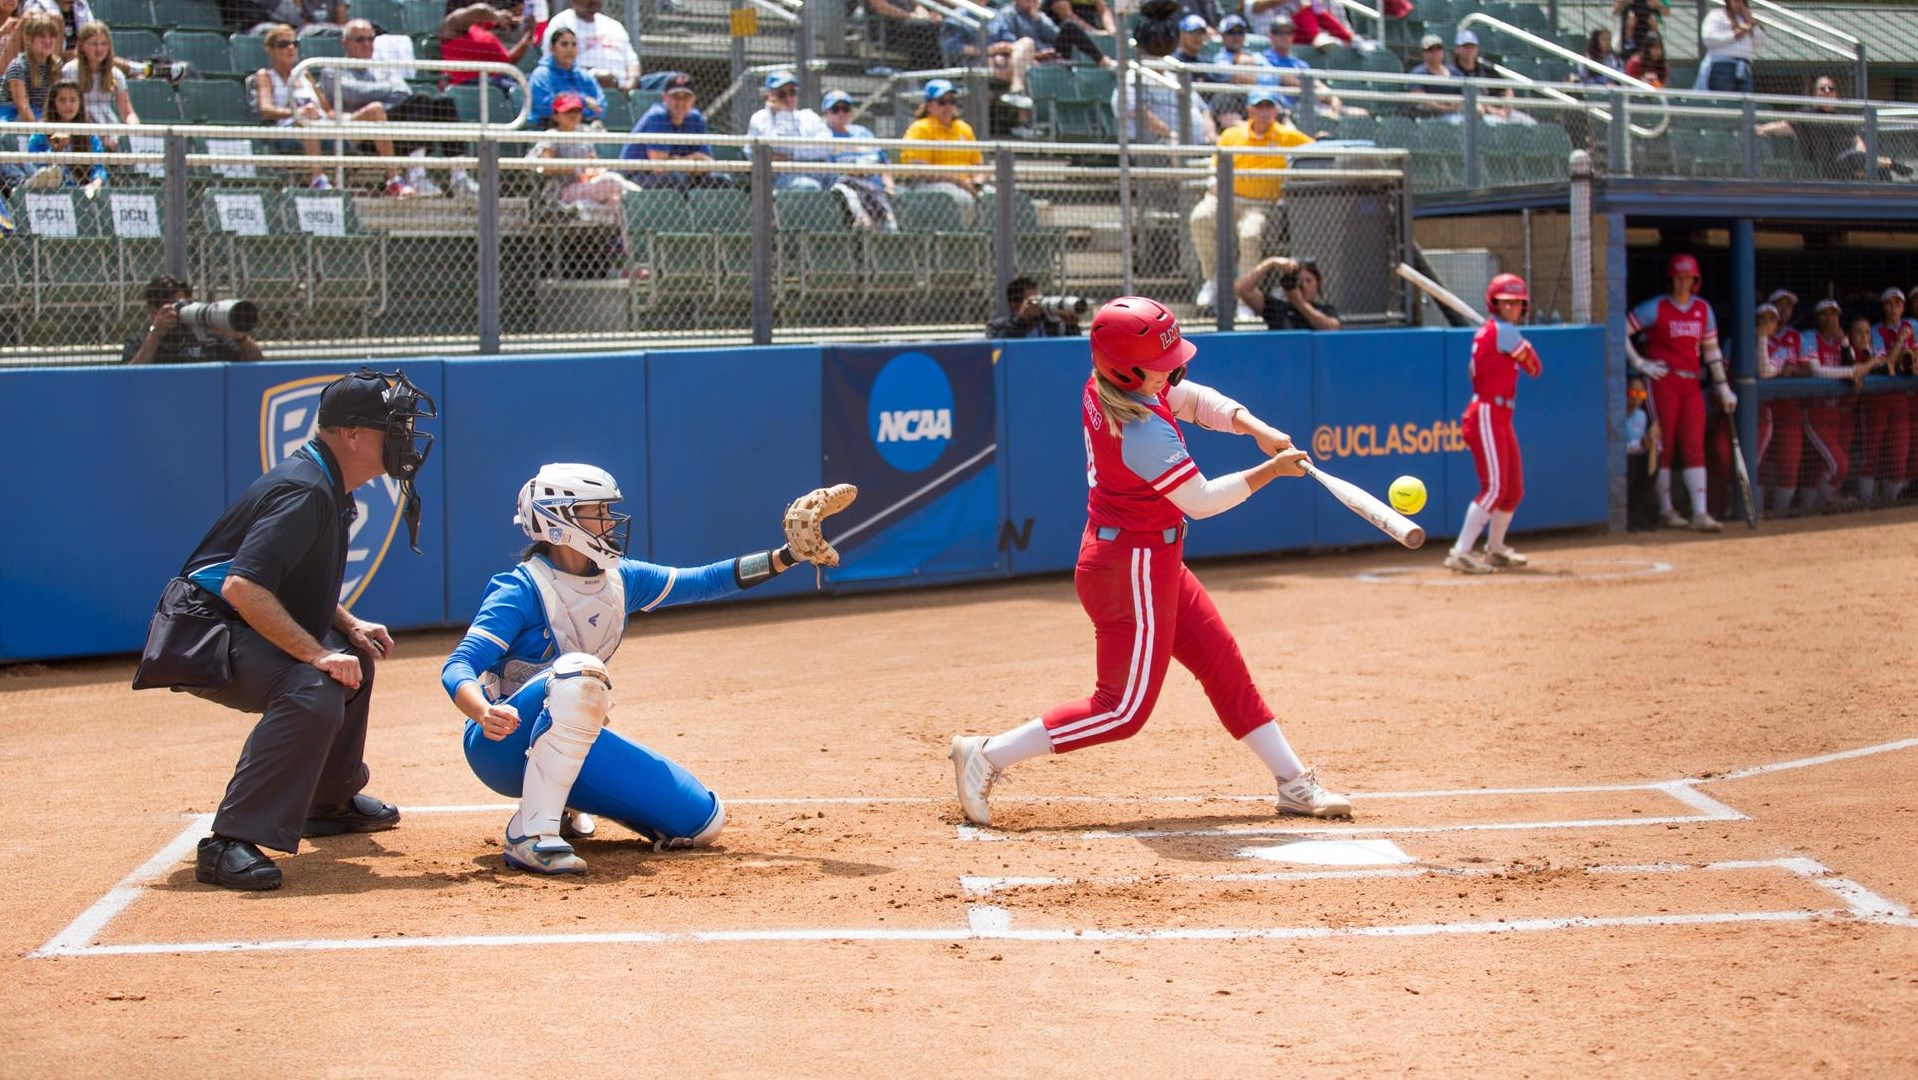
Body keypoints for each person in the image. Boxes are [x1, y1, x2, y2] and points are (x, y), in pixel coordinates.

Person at [947, 296, 1351, 827]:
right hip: (1128, 569)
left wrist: (1253, 426)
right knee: (1122, 710)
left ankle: (1293, 783)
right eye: (1162, 367)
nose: (1173, 374)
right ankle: (986, 753)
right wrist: (1270, 471)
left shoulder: (1117, 385)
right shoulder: (1140, 430)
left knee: (1221, 662)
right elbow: (1202, 502)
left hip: (1151, 559)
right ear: (1128, 368)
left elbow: (1194, 397)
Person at [443, 463, 827, 873]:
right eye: (599, 512)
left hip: (568, 739)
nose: (610, 521)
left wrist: (786, 557)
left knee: (701, 823)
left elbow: (704, 581)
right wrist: (482, 711)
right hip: (500, 745)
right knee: (580, 671)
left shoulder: (619, 579)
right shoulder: (519, 588)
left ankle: (562, 804)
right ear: (559, 520)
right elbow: (459, 665)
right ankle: (530, 834)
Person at [138, 368, 436, 890]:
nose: (405, 438)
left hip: (229, 621)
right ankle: (229, 841)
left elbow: (289, 584)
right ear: (351, 435)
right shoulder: (305, 490)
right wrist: (316, 654)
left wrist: (346, 624)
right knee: (312, 686)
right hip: (202, 632)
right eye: (394, 427)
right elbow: (242, 587)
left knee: (353, 657)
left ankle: (327, 802)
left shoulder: (327, 480)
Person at [1625, 253, 1735, 531]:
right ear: (1671, 279)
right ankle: (1666, 510)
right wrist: (1639, 362)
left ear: (1695, 280)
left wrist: (1722, 386)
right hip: (1663, 380)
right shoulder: (1656, 307)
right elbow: (1621, 330)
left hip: (1691, 383)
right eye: (1679, 277)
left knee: (1693, 443)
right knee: (1665, 442)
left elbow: (1711, 350)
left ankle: (1700, 513)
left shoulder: (1703, 310)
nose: (1683, 283)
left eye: (1688, 278)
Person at [1443, 274, 1542, 573]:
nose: (1511, 308)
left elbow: (1532, 367)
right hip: (1486, 411)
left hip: (1501, 416)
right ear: (1494, 304)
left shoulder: (1500, 332)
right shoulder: (1501, 333)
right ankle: (1460, 552)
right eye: (1505, 302)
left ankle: (1495, 548)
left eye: (1516, 303)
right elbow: (1535, 367)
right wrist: (1519, 343)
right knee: (1495, 486)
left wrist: (1515, 340)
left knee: (1513, 490)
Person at [1188, 87, 1312, 322]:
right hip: (1225, 199)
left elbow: (1315, 149)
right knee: (1200, 218)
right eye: (1259, 107)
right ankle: (1213, 279)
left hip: (1261, 205)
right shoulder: (1232, 134)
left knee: (1250, 235)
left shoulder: (1288, 136)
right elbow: (1215, 166)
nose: (1264, 112)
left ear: (1276, 110)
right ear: (1249, 110)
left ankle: (1245, 297)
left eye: (1269, 107)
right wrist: (1213, 180)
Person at [252, 22, 415, 195]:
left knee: (375, 110)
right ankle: (317, 179)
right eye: (283, 44)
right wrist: (299, 113)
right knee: (308, 114)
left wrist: (348, 119)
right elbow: (266, 109)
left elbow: (327, 111)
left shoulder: (304, 74)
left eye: (294, 43)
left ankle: (394, 180)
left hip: (324, 126)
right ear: (270, 50)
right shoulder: (266, 75)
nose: (291, 48)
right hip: (290, 130)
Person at [323, 19, 475, 197]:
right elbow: (351, 94)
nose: (366, 44)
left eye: (370, 39)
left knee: (443, 102)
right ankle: (416, 175)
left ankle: (459, 176)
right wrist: (387, 91)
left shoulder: (382, 68)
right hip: (364, 134)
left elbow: (403, 92)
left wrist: (378, 93)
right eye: (359, 40)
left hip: (394, 129)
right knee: (419, 100)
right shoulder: (332, 70)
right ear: (345, 43)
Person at [1796, 299, 1868, 512]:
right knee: (1839, 465)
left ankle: (1809, 512)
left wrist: (1845, 342)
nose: (1831, 319)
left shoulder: (1842, 341)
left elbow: (1853, 365)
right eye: (1826, 315)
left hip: (1836, 412)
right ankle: (1821, 505)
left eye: (1834, 314)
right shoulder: (1809, 337)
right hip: (1815, 412)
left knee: (1820, 467)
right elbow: (1816, 371)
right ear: (1818, 318)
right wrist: (1849, 373)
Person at [527, 90, 639, 213]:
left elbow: (592, 162)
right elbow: (546, 165)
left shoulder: (583, 134)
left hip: (585, 187)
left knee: (615, 199)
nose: (573, 115)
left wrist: (594, 171)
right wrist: (577, 167)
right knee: (612, 180)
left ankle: (625, 230)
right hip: (561, 192)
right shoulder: (552, 135)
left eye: (577, 111)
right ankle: (640, 194)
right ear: (556, 115)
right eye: (567, 111)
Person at [621, 71, 728, 190]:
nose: (680, 102)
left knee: (720, 180)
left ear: (693, 99)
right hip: (636, 177)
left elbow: (707, 162)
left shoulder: (696, 118)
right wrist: (693, 159)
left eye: (686, 97)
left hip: (680, 174)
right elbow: (658, 167)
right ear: (664, 97)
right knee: (677, 178)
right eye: (675, 97)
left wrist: (678, 161)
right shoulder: (658, 116)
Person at [122, 276, 266, 365]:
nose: (183, 309)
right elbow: (130, 377)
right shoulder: (140, 341)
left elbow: (256, 364)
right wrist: (155, 334)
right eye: (176, 305)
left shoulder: (210, 337)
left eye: (186, 303)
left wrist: (241, 338)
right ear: (154, 312)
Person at [900, 79, 983, 224]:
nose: (948, 106)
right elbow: (922, 170)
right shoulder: (920, 128)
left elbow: (978, 165)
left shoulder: (964, 128)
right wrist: (960, 181)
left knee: (995, 197)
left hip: (967, 184)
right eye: (942, 102)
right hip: (929, 185)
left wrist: (977, 183)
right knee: (960, 198)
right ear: (929, 105)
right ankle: (961, 242)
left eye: (951, 101)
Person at [1861, 287, 1915, 504]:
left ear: (1903, 307)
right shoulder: (1873, 331)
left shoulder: (1915, 326)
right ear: (1883, 307)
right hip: (1877, 397)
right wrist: (1901, 341)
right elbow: (1889, 366)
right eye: (1889, 303)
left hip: (1902, 398)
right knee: (1872, 454)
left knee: (1899, 457)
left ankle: (1890, 506)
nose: (1893, 308)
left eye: (1897, 303)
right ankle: (1863, 505)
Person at [1755, 299, 1806, 516]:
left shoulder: (1788, 346)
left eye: (1771, 319)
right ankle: (1752, 513)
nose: (1768, 323)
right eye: (1763, 319)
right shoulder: (1741, 340)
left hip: (1786, 409)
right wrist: (1760, 338)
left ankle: (1779, 516)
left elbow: (1765, 371)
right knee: (1756, 465)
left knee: (1788, 464)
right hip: (1755, 410)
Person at [745, 70, 833, 191]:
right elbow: (774, 144)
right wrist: (783, 114)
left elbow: (827, 147)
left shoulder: (809, 116)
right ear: (770, 96)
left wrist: (791, 155)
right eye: (781, 94)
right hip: (781, 176)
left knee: (846, 183)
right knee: (807, 186)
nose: (788, 98)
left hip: (818, 172)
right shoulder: (760, 118)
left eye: (792, 92)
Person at [821, 88, 895, 231]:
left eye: (845, 109)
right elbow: (826, 167)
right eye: (835, 109)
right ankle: (864, 224)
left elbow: (883, 161)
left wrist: (889, 184)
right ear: (826, 113)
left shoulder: (862, 132)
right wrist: (854, 171)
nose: (841, 113)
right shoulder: (822, 135)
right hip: (845, 187)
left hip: (874, 186)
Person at [22, 78, 102, 191]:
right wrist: (55, 152)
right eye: (62, 100)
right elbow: (36, 169)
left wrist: (95, 183)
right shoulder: (40, 134)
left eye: (73, 100)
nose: (68, 104)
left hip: (80, 191)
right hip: (46, 191)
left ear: (80, 103)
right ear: (53, 104)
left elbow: (98, 169)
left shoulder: (89, 135)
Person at [59, 21, 131, 147]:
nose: (99, 49)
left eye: (104, 44)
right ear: (81, 46)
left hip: (109, 128)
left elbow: (127, 112)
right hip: (79, 128)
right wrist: (99, 136)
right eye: (93, 44)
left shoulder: (116, 74)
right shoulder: (69, 71)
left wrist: (135, 131)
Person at [539, 0, 636, 91]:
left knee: (651, 81)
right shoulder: (561, 22)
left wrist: (631, 83)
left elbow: (633, 62)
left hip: (623, 88)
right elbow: (552, 62)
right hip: (581, 86)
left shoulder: (614, 25)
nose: (593, 1)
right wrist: (590, 75)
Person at [441, 4, 535, 91]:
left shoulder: (482, 27)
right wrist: (497, 16)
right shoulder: (453, 26)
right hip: (469, 85)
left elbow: (508, 62)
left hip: (496, 82)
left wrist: (528, 37)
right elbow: (480, 10)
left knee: (531, 83)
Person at [1236, 254, 1339, 331]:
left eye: (1308, 281)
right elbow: (1243, 289)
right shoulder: (1277, 307)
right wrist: (1271, 262)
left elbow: (1331, 328)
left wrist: (1300, 303)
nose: (1303, 286)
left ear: (1318, 283)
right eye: (1298, 281)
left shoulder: (1325, 310)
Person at [528, 25, 605, 127]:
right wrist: (583, 101)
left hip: (583, 127)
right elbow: (544, 107)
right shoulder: (541, 75)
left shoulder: (584, 76)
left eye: (574, 44)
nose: (570, 49)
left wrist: (574, 114)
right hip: (549, 129)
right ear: (552, 48)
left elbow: (601, 107)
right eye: (564, 44)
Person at [1697, 0, 1762, 94]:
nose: (1739, 4)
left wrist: (1751, 22)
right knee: (1723, 102)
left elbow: (1759, 43)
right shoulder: (1717, 16)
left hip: (1744, 66)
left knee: (1745, 103)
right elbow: (1708, 39)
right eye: (1736, 1)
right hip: (1722, 65)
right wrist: (1734, 35)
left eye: (1742, 1)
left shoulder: (1745, 19)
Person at [987, 275, 1083, 337]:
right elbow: (1001, 348)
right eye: (1033, 301)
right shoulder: (997, 327)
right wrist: (1022, 319)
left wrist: (1071, 326)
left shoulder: (1052, 326)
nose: (1039, 305)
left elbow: (1070, 351)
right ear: (1015, 305)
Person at [1624, 374, 1660, 530]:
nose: (1637, 399)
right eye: (1633, 394)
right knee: (1630, 464)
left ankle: (1637, 513)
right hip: (1625, 458)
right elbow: (1620, 447)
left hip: (1637, 455)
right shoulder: (1617, 414)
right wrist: (1640, 445)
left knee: (1651, 464)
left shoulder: (1642, 415)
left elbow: (1642, 442)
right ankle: (1626, 514)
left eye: (1642, 395)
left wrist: (1650, 442)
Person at [1407, 33, 1460, 118]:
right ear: (1423, 53)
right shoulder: (1418, 73)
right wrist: (1447, 108)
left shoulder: (1454, 71)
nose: (1435, 52)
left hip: (1458, 113)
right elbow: (1420, 98)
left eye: (1438, 48)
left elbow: (1466, 93)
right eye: (1430, 49)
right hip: (1432, 117)